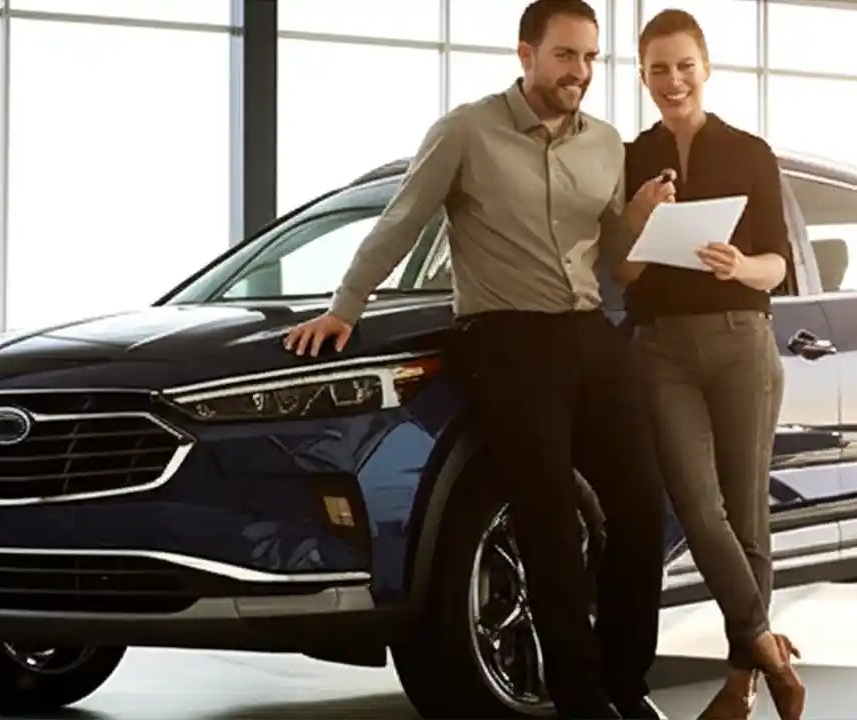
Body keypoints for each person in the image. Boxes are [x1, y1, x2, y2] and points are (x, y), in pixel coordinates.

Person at [282, 2, 668, 718]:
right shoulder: (467, 131)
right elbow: (400, 221)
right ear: (526, 54)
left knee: (643, 511)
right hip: (508, 338)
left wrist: (640, 218)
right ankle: (582, 700)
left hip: (590, 332)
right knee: (546, 519)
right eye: (564, 56)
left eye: (589, 57)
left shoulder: (606, 143)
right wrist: (345, 308)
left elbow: (616, 259)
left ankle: (624, 683)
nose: (578, 72)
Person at [613, 9, 805, 720]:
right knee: (698, 510)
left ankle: (739, 683)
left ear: (706, 67)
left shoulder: (750, 151)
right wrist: (636, 213)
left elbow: (779, 264)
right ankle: (765, 644)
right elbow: (624, 274)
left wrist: (739, 263)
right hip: (660, 346)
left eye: (683, 65)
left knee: (748, 520)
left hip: (740, 341)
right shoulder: (632, 157)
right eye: (658, 69)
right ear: (641, 76)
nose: (672, 80)